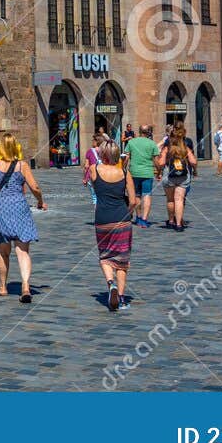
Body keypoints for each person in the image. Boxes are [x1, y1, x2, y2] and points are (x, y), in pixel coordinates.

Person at [0, 134, 44, 302]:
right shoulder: (22, 165)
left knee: (3, 251)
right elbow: (34, 186)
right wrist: (40, 201)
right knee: (23, 250)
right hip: (19, 207)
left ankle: (3, 287)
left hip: (1, 209)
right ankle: (25, 286)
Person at [90, 141, 137, 312]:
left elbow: (93, 184)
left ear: (102, 154)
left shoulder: (94, 169)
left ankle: (111, 284)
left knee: (105, 255)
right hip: (121, 218)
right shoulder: (125, 173)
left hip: (102, 218)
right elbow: (133, 201)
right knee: (122, 260)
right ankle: (122, 298)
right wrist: (129, 211)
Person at [157, 125, 195, 229]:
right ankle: (178, 224)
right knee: (179, 200)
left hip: (169, 175)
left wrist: (159, 172)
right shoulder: (185, 147)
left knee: (170, 200)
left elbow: (161, 163)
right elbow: (193, 161)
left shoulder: (167, 147)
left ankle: (171, 221)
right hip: (183, 175)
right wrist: (195, 170)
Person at [123, 125, 158, 227]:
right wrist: (159, 171)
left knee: (137, 195)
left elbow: (126, 157)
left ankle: (138, 217)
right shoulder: (152, 144)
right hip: (147, 173)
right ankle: (144, 219)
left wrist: (123, 170)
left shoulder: (131, 142)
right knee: (147, 195)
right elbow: (156, 160)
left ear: (139, 131)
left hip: (134, 172)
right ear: (149, 132)